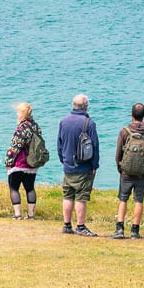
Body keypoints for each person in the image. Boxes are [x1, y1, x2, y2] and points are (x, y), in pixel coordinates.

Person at [112, 102, 144, 240]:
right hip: (143, 172)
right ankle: (135, 231)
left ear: (131, 115)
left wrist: (121, 168)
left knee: (123, 199)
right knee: (139, 200)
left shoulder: (124, 132)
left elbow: (118, 154)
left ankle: (120, 229)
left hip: (126, 172)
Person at [57, 93, 99, 237]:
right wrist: (95, 165)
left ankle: (67, 225)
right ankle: (80, 226)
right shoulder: (89, 123)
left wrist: (64, 160)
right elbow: (95, 146)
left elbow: (59, 144)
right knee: (81, 197)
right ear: (85, 106)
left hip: (68, 165)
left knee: (68, 195)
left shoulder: (63, 122)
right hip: (84, 166)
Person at [5, 102, 43, 220]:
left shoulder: (22, 128)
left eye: (18, 112)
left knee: (14, 188)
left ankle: (17, 215)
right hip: (31, 163)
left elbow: (15, 146)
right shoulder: (36, 126)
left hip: (19, 162)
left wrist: (8, 161)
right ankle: (31, 215)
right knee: (30, 188)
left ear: (22, 113)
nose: (17, 114)